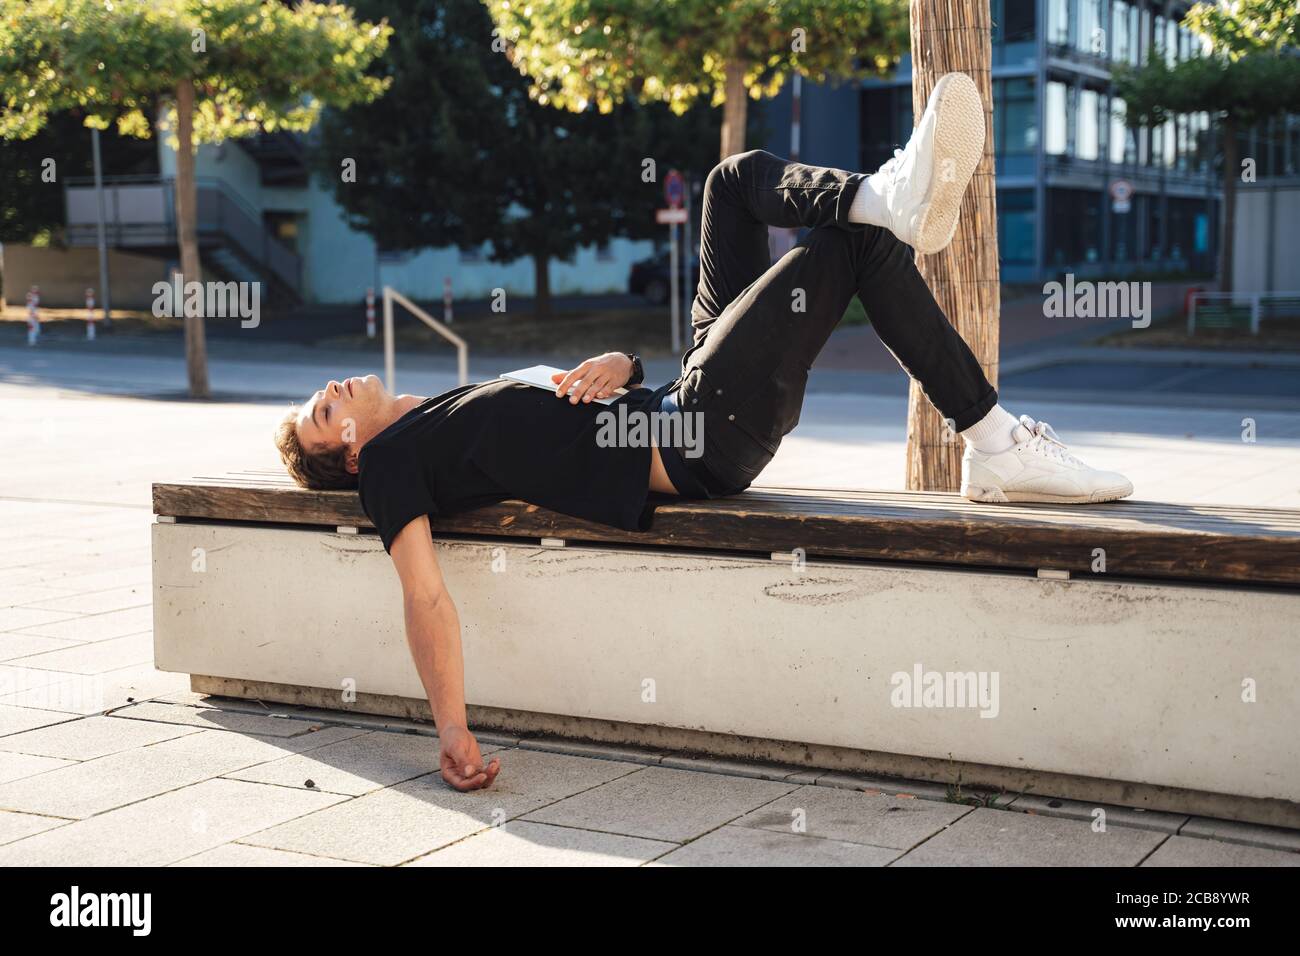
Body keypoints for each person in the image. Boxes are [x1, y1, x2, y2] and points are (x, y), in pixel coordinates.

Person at [275, 73, 1132, 791]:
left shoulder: (435, 414)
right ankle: (992, 439)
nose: (330, 389)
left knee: (731, 180)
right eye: (322, 412)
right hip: (698, 439)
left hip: (680, 397)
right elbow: (424, 598)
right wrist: (451, 729)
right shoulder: (392, 464)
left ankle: (883, 195)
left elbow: (568, 409)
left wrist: (620, 360)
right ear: (349, 452)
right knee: (851, 252)